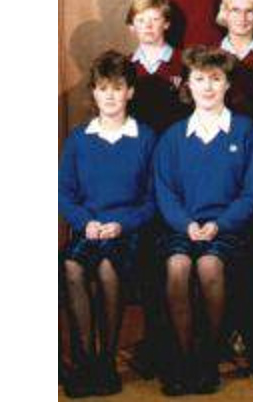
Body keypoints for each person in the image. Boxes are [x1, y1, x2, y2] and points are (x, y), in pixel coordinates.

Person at [152, 46, 253, 395]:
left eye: (216, 79)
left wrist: (220, 224)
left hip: (227, 228)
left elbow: (250, 192)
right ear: (188, 84)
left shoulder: (245, 132)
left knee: (210, 266)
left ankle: (209, 357)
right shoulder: (173, 136)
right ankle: (184, 360)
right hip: (182, 227)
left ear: (228, 84)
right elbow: (165, 191)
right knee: (178, 266)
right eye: (200, 79)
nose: (208, 87)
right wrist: (186, 225)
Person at [59, 51, 157, 398]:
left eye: (118, 88)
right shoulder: (78, 139)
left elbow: (151, 200)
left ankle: (106, 361)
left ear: (130, 91)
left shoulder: (145, 138)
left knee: (106, 267)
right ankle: (85, 361)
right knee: (71, 265)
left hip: (127, 232)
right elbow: (65, 194)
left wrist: (120, 224)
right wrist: (85, 223)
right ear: (94, 93)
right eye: (103, 88)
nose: (110, 95)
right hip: (89, 228)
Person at [127, 0, 189, 132]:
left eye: (155, 19)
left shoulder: (185, 62)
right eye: (141, 20)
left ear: (166, 23)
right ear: (131, 27)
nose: (148, 26)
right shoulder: (125, 66)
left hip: (175, 140)